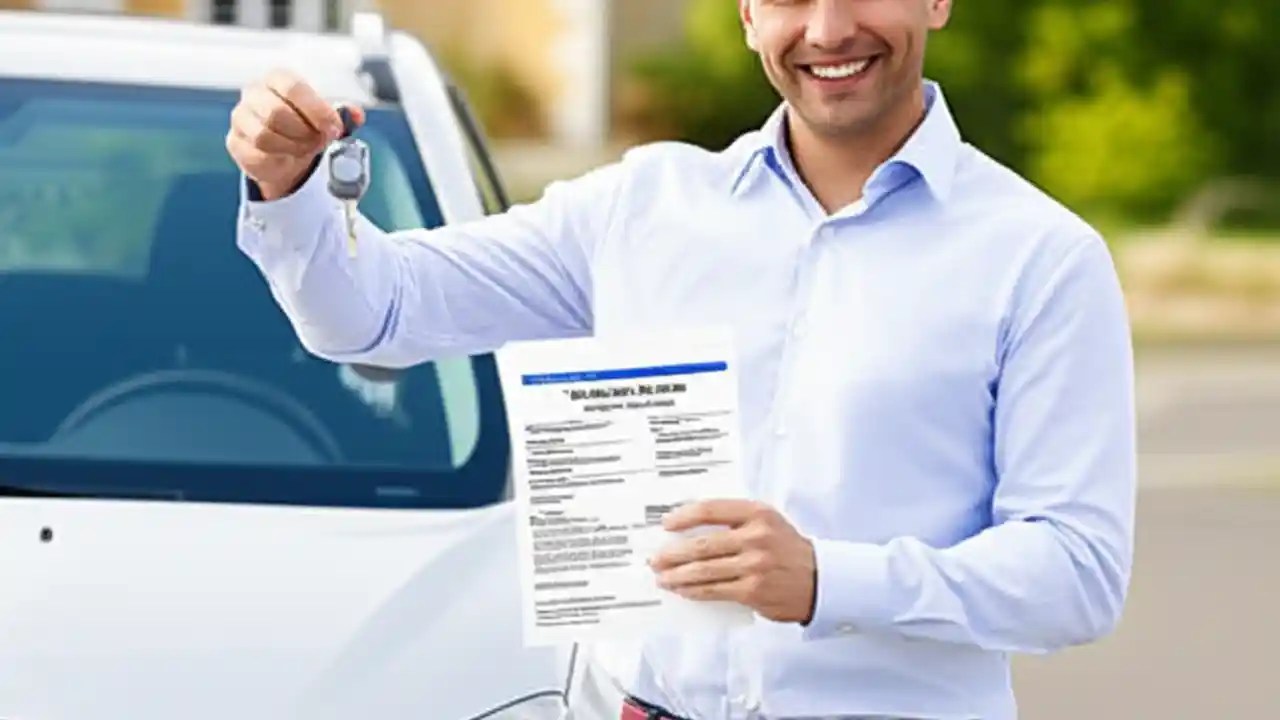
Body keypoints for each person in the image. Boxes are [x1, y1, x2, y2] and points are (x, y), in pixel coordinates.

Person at [226, 0, 1136, 718]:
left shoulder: (1039, 257)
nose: (826, 30)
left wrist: (826, 579)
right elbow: (375, 314)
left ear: (937, 1)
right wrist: (291, 187)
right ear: (747, 15)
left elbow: (1077, 571)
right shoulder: (640, 210)